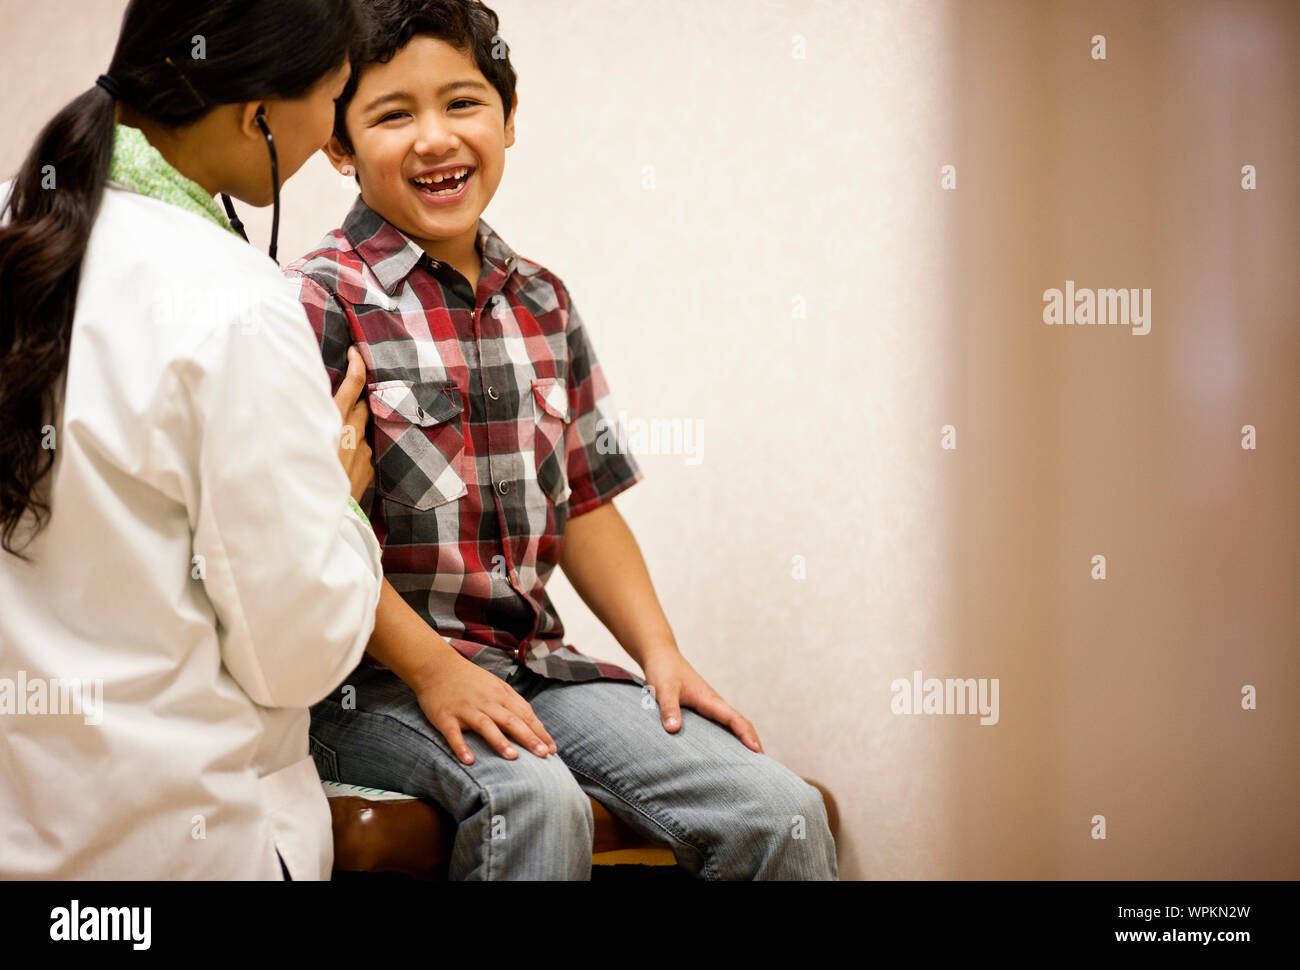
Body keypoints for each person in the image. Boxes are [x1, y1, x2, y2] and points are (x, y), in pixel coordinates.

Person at [285, 0, 837, 879]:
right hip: (370, 688)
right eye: (393, 114)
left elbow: (584, 502)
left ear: (507, 118)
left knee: (782, 812)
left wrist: (663, 655)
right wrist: (434, 670)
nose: (435, 138)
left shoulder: (542, 297)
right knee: (532, 797)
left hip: (536, 668)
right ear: (338, 146)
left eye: (462, 103)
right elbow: (303, 541)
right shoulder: (316, 302)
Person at [0, 0, 383, 879]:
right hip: (190, 843)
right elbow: (295, 654)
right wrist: (341, 501)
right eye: (334, 99)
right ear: (259, 118)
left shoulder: (22, 235)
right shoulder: (235, 304)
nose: (335, 131)